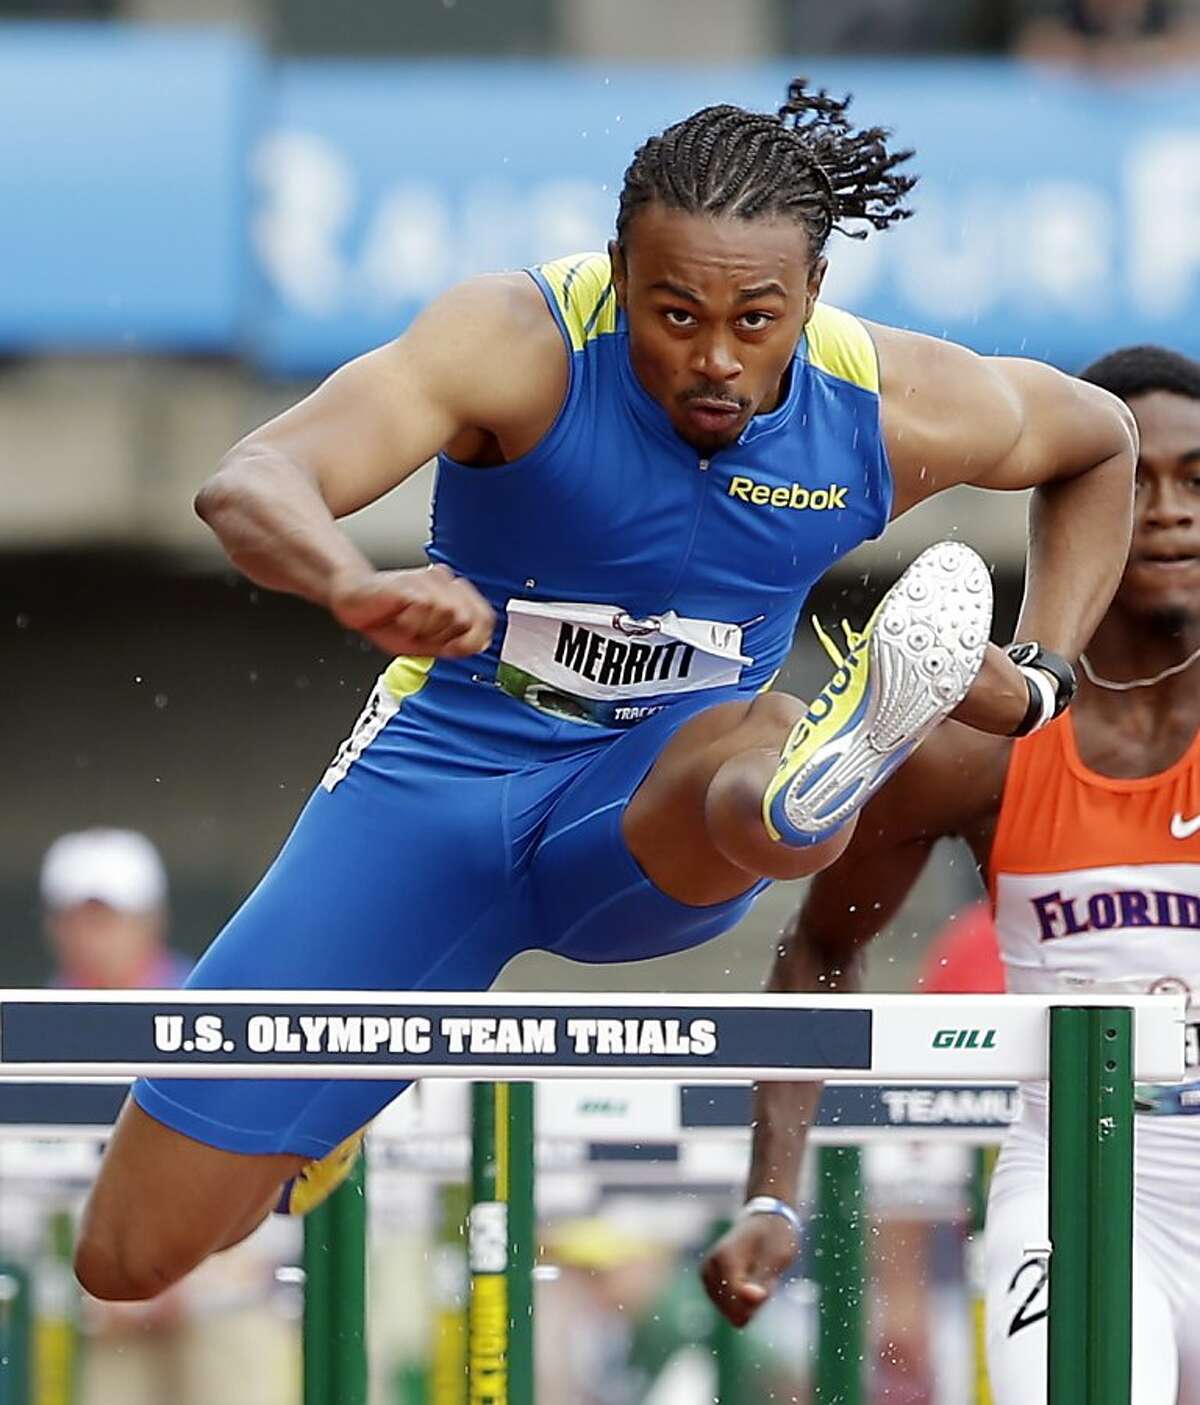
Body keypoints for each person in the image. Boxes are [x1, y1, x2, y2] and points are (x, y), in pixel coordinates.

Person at [75, 79, 1136, 1304]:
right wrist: (345, 581)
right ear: (620, 268)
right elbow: (251, 481)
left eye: (757, 318)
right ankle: (312, 1137)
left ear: (815, 298)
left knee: (754, 777)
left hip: (648, 813)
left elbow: (1100, 440)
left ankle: (828, 764)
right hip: (430, 798)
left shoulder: (889, 405)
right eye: (675, 313)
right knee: (128, 1258)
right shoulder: (515, 344)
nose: (717, 360)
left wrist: (1045, 680)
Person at [701, 344, 1200, 1402]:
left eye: (1198, 480)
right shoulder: (976, 749)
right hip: (1081, 1204)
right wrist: (774, 1196)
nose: (1166, 512)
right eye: (1137, 481)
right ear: (1077, 510)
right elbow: (824, 946)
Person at [40, 829, 192, 990]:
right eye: (70, 922)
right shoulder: (39, 1007)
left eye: (103, 921)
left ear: (151, 921)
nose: (87, 939)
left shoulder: (202, 995)